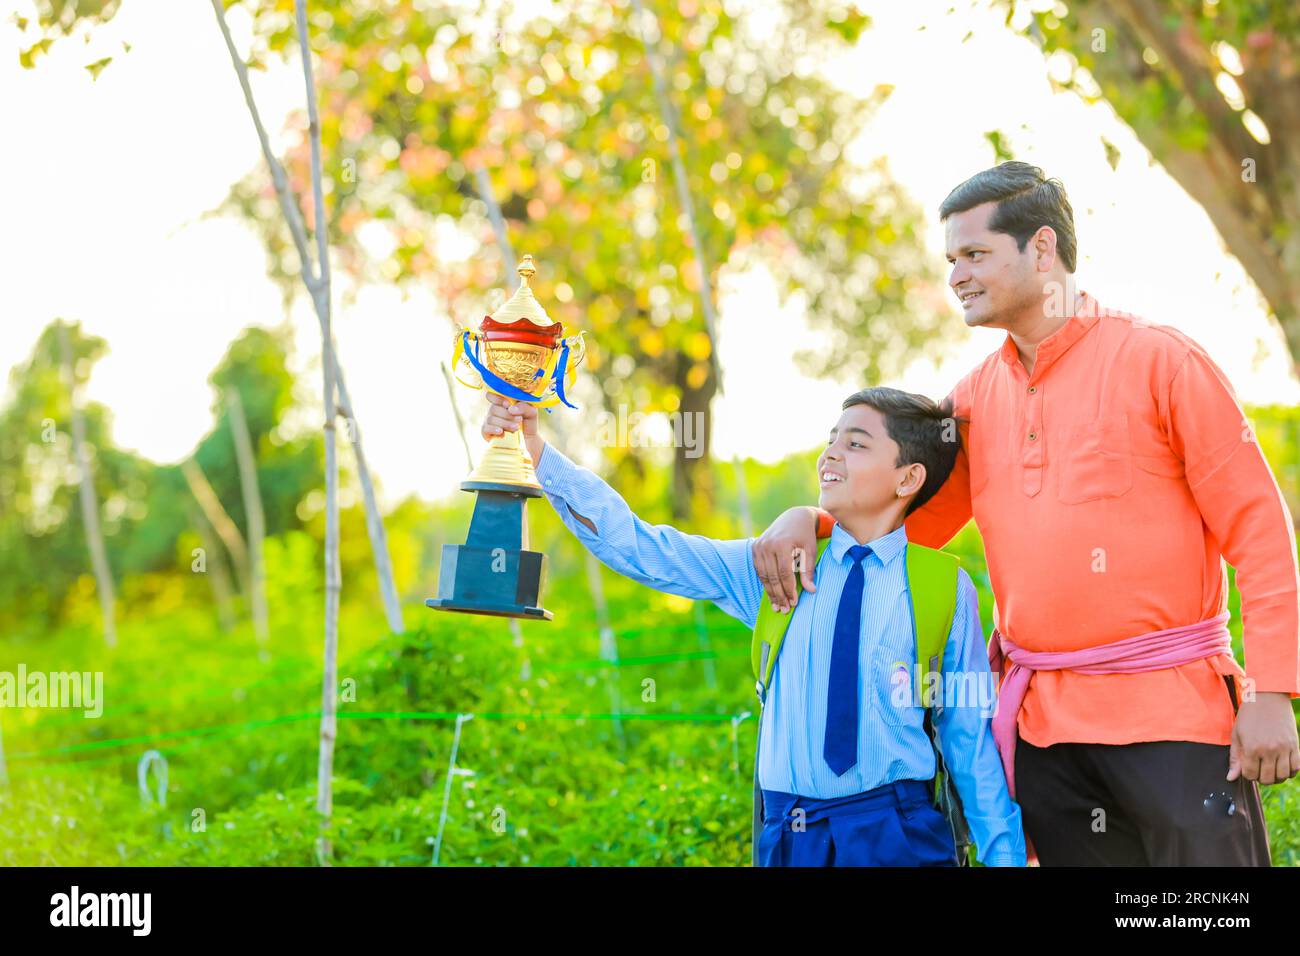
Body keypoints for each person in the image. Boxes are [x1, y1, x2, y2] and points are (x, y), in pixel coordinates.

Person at [753, 161, 1300, 866]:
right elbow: (898, 525)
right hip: (1046, 741)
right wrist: (809, 521)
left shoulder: (1162, 362)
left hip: (1177, 725)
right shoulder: (971, 403)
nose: (956, 276)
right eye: (952, 259)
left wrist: (1274, 691)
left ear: (1042, 250)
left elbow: (1259, 529)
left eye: (974, 254)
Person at [481, 385, 1026, 866]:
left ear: (908, 476)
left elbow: (965, 736)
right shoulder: (773, 568)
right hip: (792, 835)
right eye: (831, 439)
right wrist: (537, 453)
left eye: (856, 443)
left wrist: (1004, 855)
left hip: (899, 833)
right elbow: (640, 547)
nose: (831, 453)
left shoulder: (942, 587)